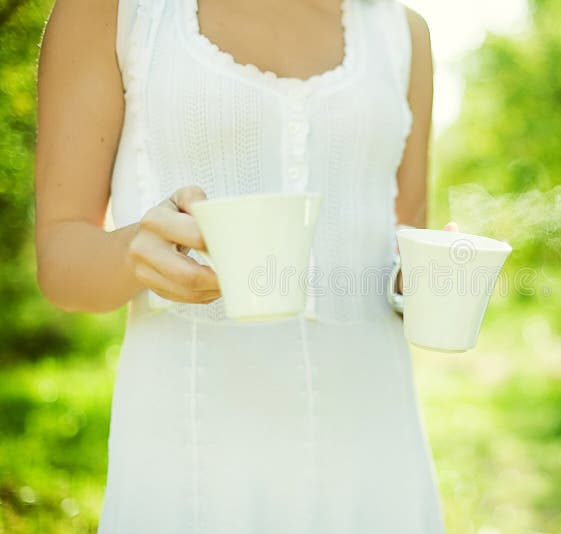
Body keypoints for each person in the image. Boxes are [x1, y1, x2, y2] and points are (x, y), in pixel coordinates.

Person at [35, 0, 454, 531]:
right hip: (193, 458)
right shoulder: (115, 11)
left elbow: (401, 246)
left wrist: (433, 277)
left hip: (377, 451)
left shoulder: (402, 32)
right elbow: (60, 259)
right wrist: (133, 251)